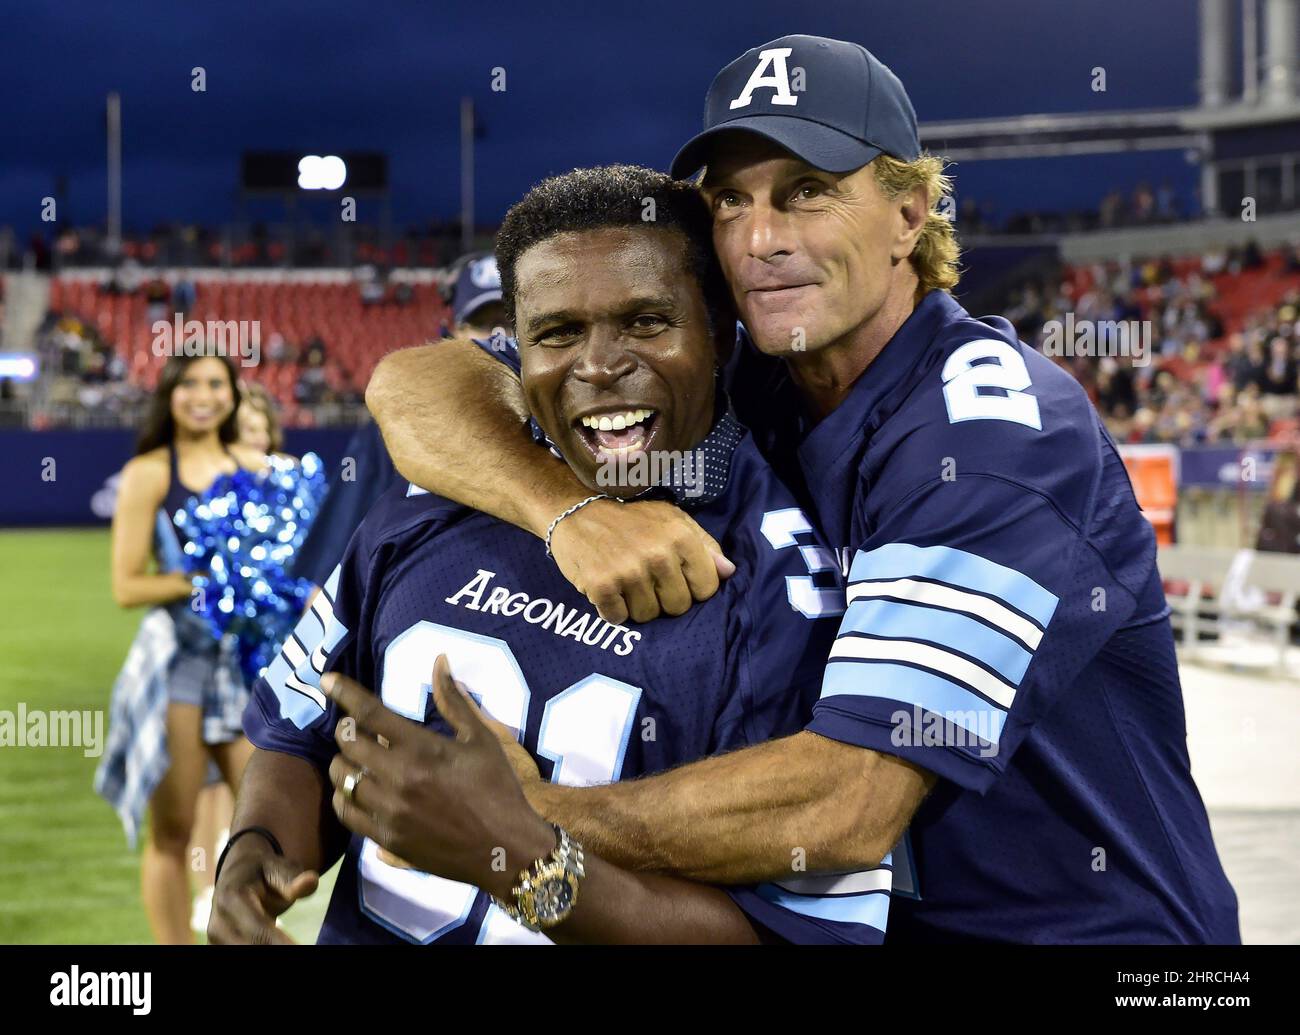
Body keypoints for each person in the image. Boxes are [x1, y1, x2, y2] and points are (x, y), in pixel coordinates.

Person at [364, 35, 1239, 943]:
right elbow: (417, 384)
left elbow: (846, 803)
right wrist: (566, 512)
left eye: (807, 192)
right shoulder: (756, 368)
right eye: (730, 202)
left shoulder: (992, 435)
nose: (761, 238)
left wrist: (523, 818)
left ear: (910, 214)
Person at [209, 165, 889, 945]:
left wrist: (525, 860)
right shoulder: (436, 499)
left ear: (721, 335)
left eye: (645, 322)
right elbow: (300, 731)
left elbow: (797, 934)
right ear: (514, 350)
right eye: (558, 333)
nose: (598, 365)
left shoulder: (787, 583)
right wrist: (252, 858)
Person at [96, 354, 268, 943]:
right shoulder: (149, 471)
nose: (203, 395)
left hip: (244, 664)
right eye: (189, 383)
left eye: (216, 383)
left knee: (264, 827)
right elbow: (126, 585)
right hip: (179, 664)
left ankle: (240, 934)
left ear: (233, 395)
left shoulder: (257, 467)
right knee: (173, 829)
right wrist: (202, 582)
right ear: (169, 394)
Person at [290, 252, 512, 588]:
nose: (498, 336)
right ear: (451, 329)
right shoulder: (393, 428)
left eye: (512, 320)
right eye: (482, 323)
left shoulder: (566, 430)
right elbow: (332, 575)